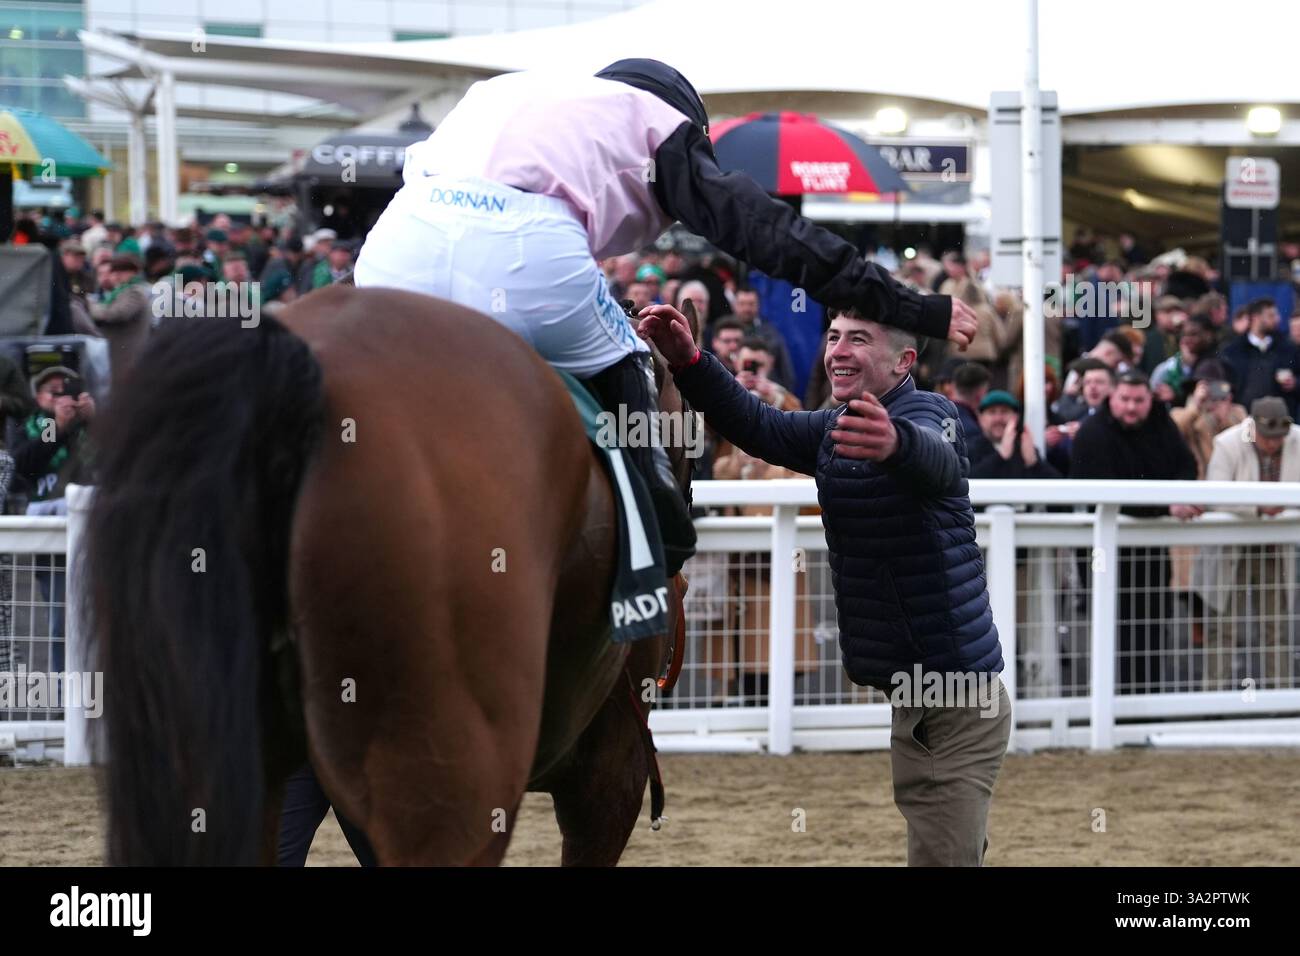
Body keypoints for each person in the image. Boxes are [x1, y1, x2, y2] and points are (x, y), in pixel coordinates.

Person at [354, 58, 977, 577]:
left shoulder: (513, 90)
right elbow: (772, 236)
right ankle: (654, 528)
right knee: (628, 355)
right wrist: (914, 306)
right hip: (524, 248)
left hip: (396, 240)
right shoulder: (658, 129)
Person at [639, 301, 1010, 867]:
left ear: (903, 360)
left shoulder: (932, 413)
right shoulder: (835, 424)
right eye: (834, 336)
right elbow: (756, 424)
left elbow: (939, 461)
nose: (838, 350)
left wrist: (895, 446)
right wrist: (691, 361)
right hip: (919, 694)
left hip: (956, 699)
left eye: (858, 339)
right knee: (949, 848)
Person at [1069, 370, 1199, 692]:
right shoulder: (1091, 433)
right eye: (1124, 399)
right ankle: (1110, 708)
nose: (1131, 407)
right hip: (1104, 551)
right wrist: (1167, 506)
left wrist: (1176, 497)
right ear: (1111, 397)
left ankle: (1148, 705)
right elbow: (1104, 494)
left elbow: (1186, 466)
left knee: (1155, 626)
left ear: (1150, 399)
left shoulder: (1160, 421)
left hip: (1151, 546)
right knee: (1113, 629)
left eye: (1138, 401)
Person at [1196, 397, 1299, 690]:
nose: (1273, 444)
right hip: (1232, 548)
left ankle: (1280, 695)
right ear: (1252, 427)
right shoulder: (1227, 444)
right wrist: (1258, 507)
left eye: (1279, 438)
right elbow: (1217, 495)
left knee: (1276, 628)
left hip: (1276, 549)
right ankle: (1212, 696)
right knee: (1223, 628)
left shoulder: (1297, 441)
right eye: (1267, 438)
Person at [967, 391, 1061, 480]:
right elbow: (966, 481)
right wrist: (1000, 457)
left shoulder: (1024, 448)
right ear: (980, 418)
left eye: (1004, 412)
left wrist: (1034, 463)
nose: (998, 418)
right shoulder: (969, 449)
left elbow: (1057, 484)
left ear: (1016, 417)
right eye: (992, 412)